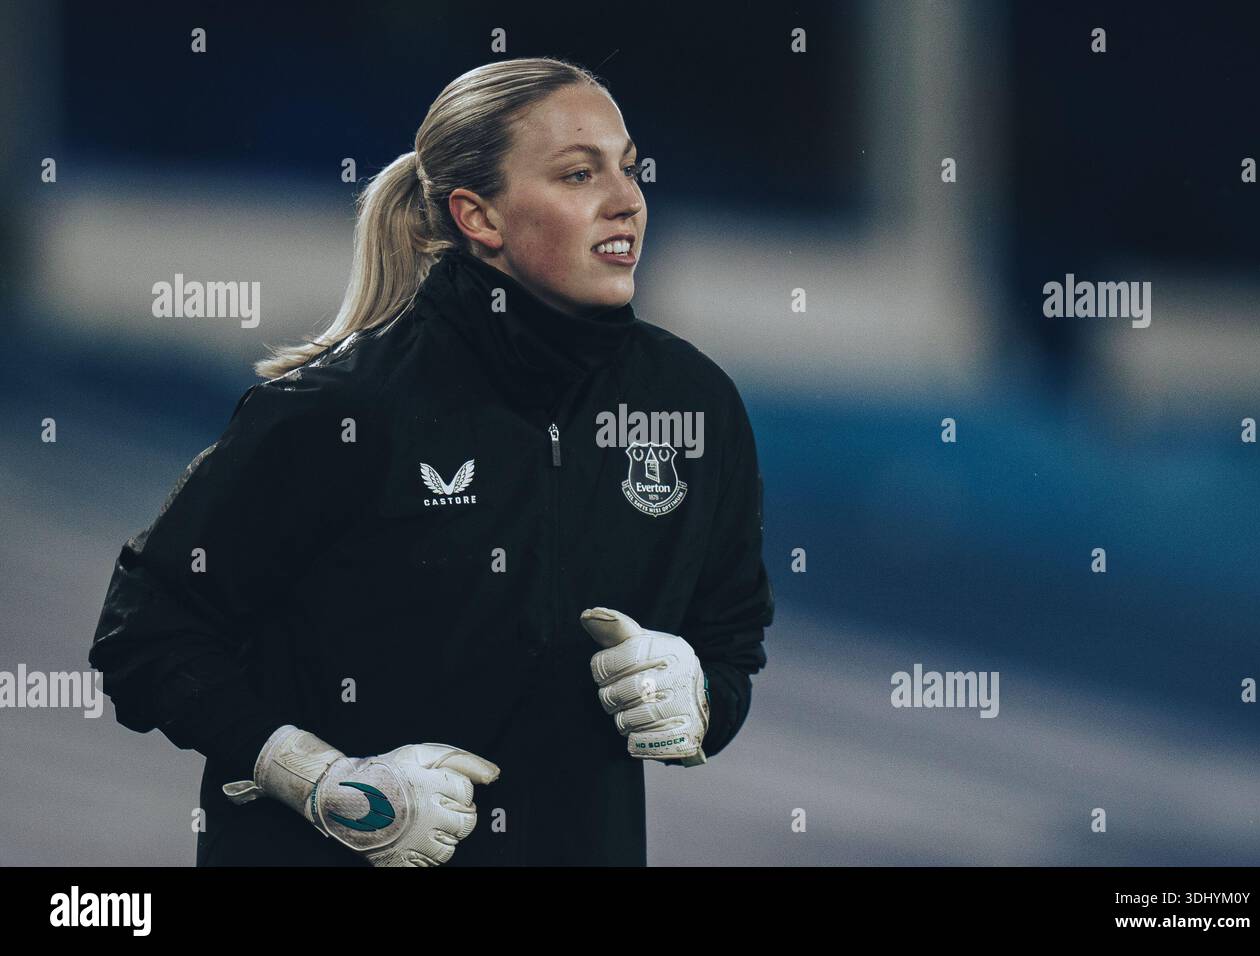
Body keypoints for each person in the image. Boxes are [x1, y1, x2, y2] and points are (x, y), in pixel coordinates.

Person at [88, 56, 775, 866]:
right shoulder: (338, 412)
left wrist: (699, 698)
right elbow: (146, 636)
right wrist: (317, 780)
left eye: (628, 168)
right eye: (579, 174)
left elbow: (730, 642)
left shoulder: (693, 403)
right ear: (477, 217)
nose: (626, 199)